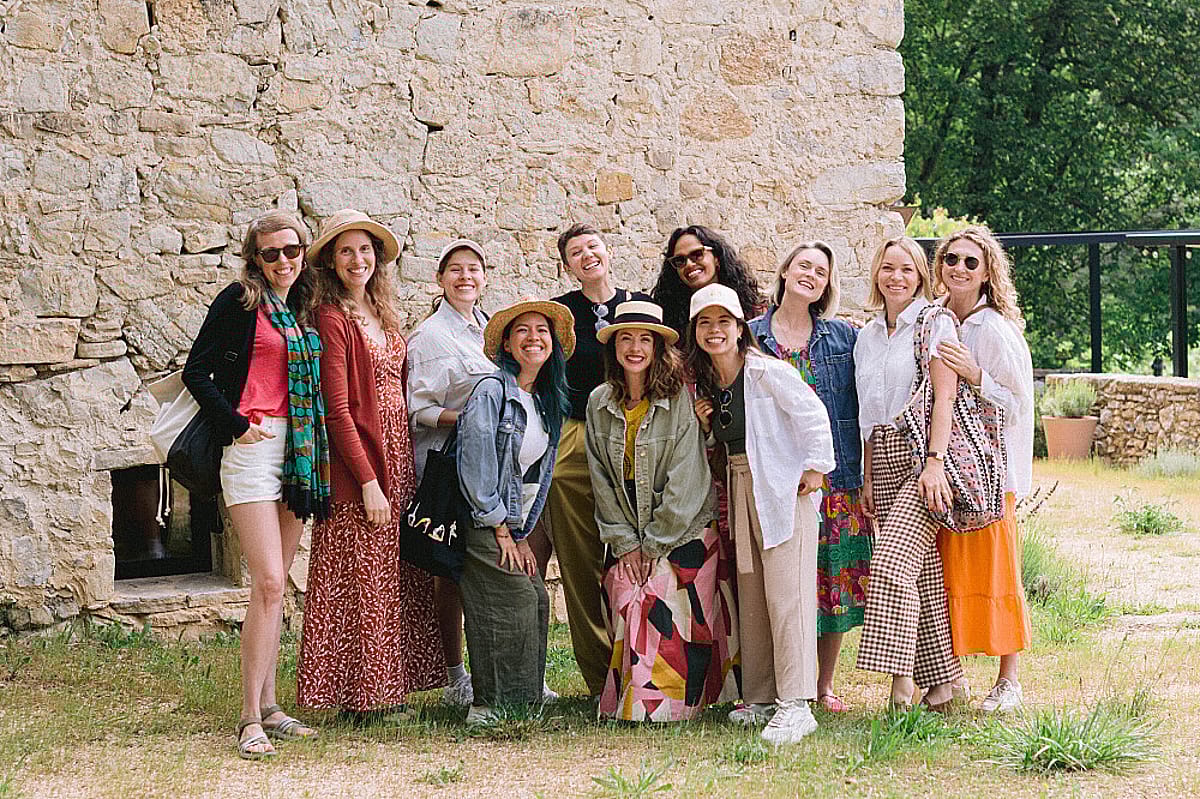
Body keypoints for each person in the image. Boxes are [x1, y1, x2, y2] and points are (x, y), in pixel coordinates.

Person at [182, 210, 327, 759]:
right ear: (255, 258)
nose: (284, 261)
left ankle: (271, 705)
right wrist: (237, 424)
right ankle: (248, 718)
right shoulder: (239, 302)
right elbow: (197, 371)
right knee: (267, 580)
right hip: (251, 449)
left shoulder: (307, 307)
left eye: (292, 250)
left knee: (279, 583)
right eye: (271, 254)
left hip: (300, 451)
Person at [297, 209, 444, 717]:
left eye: (364, 250)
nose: (356, 259)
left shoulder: (383, 312)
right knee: (359, 577)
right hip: (363, 461)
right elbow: (337, 409)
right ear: (331, 262)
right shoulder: (332, 318)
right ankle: (363, 697)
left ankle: (384, 688)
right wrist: (367, 481)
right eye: (345, 251)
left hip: (399, 452)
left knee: (392, 573)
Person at [688, 284, 835, 745]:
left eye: (724, 322)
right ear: (695, 332)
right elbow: (726, 444)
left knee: (786, 593)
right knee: (753, 590)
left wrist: (815, 467)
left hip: (781, 487)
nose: (715, 331)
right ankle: (762, 696)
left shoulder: (766, 371)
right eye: (705, 323)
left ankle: (796, 703)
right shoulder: (713, 384)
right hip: (741, 484)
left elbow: (812, 415)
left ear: (739, 328)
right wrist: (707, 426)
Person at [585, 301, 738, 721]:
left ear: (658, 348)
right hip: (630, 535)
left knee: (654, 593)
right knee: (625, 587)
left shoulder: (679, 401)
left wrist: (653, 546)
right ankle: (636, 703)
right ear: (614, 346)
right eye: (626, 339)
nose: (635, 347)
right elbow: (601, 481)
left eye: (645, 340)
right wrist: (626, 544)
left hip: (684, 530)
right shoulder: (599, 403)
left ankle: (674, 707)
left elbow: (686, 480)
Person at [747, 241, 872, 713]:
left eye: (821, 271)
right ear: (785, 271)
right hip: (776, 478)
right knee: (783, 583)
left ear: (826, 285)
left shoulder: (843, 337)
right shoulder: (753, 336)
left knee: (832, 583)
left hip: (833, 478)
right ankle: (784, 679)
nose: (811, 275)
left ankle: (822, 685)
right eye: (804, 265)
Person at [853, 236, 964, 710]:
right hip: (881, 456)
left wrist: (935, 464)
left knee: (892, 563)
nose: (896, 277)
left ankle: (902, 686)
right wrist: (866, 476)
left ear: (921, 276)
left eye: (906, 269)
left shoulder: (934, 324)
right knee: (921, 573)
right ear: (877, 274)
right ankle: (944, 685)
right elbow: (865, 414)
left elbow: (946, 398)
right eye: (887, 268)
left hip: (923, 458)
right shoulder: (866, 335)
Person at [457, 299, 574, 724]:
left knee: (536, 596)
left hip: (511, 523)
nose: (533, 338)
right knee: (511, 598)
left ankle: (522, 700)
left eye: (542, 331)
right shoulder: (492, 391)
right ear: (507, 343)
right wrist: (500, 528)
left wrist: (520, 533)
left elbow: (533, 479)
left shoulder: (544, 401)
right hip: (483, 519)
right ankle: (487, 705)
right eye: (522, 331)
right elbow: (477, 461)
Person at [546, 223, 651, 700]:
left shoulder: (639, 304)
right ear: (567, 264)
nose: (586, 255)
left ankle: (643, 665)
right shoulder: (561, 314)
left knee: (636, 549)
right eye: (575, 252)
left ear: (608, 252)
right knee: (581, 557)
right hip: (577, 433)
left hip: (634, 432)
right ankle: (597, 680)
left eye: (592, 246)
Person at [932, 226, 1034, 712]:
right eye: (952, 258)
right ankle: (952, 677)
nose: (959, 268)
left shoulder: (992, 329)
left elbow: (1016, 403)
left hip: (990, 474)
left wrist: (975, 375)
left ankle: (1008, 679)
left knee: (997, 570)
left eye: (971, 262)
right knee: (954, 570)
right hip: (951, 471)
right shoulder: (940, 321)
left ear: (988, 271)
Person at [406, 239, 494, 706]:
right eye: (455, 269)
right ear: (440, 280)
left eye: (473, 269)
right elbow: (418, 408)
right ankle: (454, 674)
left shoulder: (487, 328)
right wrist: (472, 419)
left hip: (486, 465)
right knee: (451, 571)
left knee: (481, 564)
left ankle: (492, 665)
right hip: (448, 464)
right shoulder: (431, 337)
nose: (465, 277)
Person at [652, 225, 763, 339]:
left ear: (716, 258)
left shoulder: (754, 313)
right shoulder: (670, 318)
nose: (689, 264)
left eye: (697, 254)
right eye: (680, 260)